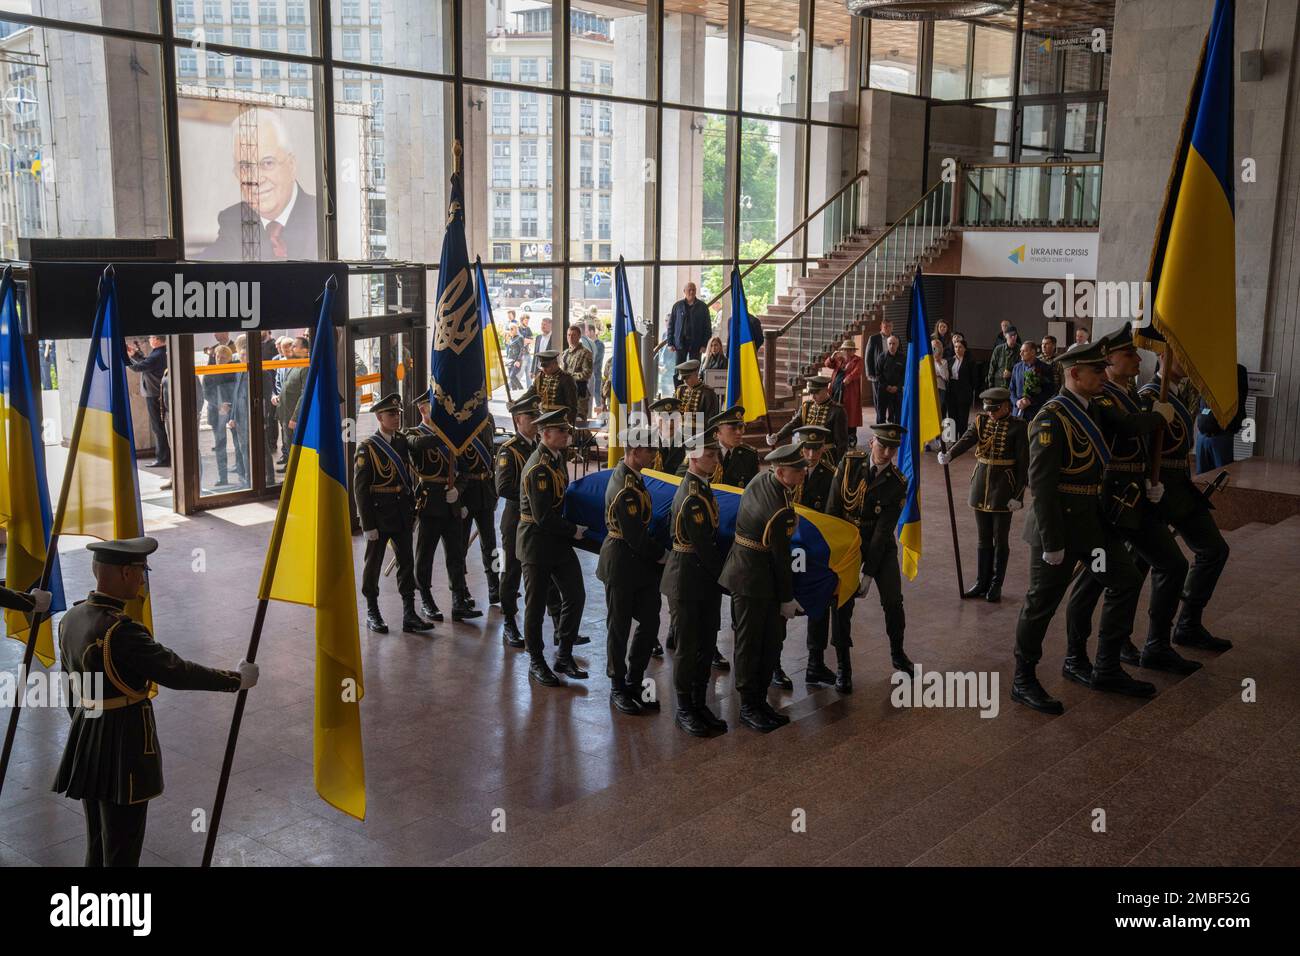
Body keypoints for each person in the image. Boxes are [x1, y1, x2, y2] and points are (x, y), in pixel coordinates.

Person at [52, 537, 258, 867]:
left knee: (97, 842)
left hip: (86, 738)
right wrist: (235, 680)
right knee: (123, 846)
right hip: (122, 745)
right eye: (140, 571)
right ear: (123, 573)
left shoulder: (71, 618)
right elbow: (176, 672)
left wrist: (86, 725)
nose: (142, 579)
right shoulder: (121, 630)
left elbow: (69, 686)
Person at [1011, 340, 1153, 716]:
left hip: (1091, 532)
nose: (1103, 375)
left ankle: (1101, 665)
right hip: (1057, 533)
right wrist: (1053, 543)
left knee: (1123, 580)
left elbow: (1127, 426)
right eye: (1096, 371)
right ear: (1074, 374)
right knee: (1042, 604)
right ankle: (1023, 678)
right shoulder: (1051, 418)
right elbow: (1040, 487)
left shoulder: (1093, 408)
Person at [1063, 325, 1193, 677]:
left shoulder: (1131, 391)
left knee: (1169, 564)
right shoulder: (1104, 396)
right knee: (1095, 580)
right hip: (1112, 500)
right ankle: (1078, 655)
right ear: (1109, 361)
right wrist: (1156, 416)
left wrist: (1154, 482)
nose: (1138, 359)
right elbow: (1125, 426)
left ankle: (1154, 645)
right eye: (1129, 354)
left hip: (1137, 496)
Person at [1139, 354, 1234, 654]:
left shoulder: (1179, 394)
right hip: (1155, 490)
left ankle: (1188, 624)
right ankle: (1153, 641)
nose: (1189, 362)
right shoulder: (1148, 397)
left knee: (1214, 550)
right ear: (1162, 356)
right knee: (1156, 565)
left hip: (1179, 487)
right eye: (1182, 355)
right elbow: (1137, 448)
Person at [720, 444, 805, 732]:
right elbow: (781, 559)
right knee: (751, 642)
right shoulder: (779, 509)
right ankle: (748, 706)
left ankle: (758, 701)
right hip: (752, 579)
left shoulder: (763, 480)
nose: (803, 473)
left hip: (750, 571)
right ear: (780, 471)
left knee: (767, 641)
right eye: (798, 469)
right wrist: (787, 599)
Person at [826, 424, 915, 693]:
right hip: (846, 541)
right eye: (882, 445)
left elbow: (882, 532)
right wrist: (834, 553)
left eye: (893, 449)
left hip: (879, 546)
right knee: (841, 605)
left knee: (893, 601)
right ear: (872, 440)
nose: (886, 453)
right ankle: (843, 666)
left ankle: (897, 652)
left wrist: (868, 574)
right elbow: (833, 508)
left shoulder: (898, 482)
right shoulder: (850, 462)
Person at [662, 432, 728, 736]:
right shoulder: (691, 495)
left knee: (705, 644)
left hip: (702, 579)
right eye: (710, 456)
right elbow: (703, 545)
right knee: (689, 647)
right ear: (693, 457)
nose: (715, 460)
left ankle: (700, 703)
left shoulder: (702, 488)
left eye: (716, 455)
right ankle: (685, 708)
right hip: (688, 580)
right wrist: (727, 578)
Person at [599, 431, 667, 716]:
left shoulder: (633, 476)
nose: (654, 455)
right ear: (635, 451)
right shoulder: (625, 486)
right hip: (622, 564)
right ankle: (618, 686)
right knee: (619, 627)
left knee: (650, 622)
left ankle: (635, 679)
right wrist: (663, 554)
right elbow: (635, 536)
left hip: (639, 565)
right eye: (650, 451)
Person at [355, 392, 434, 635]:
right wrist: (367, 525)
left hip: (401, 513)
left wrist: (439, 428)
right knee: (374, 565)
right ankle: (372, 611)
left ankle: (409, 613)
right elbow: (360, 490)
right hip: (378, 516)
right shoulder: (367, 448)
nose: (396, 418)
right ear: (379, 417)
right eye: (391, 414)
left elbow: (420, 445)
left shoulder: (402, 440)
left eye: (398, 414)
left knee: (406, 564)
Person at [938, 388, 1028, 603]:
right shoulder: (981, 421)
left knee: (1001, 538)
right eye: (988, 410)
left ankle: (996, 584)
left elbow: (1024, 465)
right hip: (981, 484)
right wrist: (950, 454)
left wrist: (1018, 496)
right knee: (983, 537)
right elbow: (967, 439)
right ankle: (981, 582)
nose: (990, 414)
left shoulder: (1019, 427)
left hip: (1004, 487)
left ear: (1006, 406)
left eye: (994, 410)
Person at [519, 409, 588, 686]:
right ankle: (536, 660)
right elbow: (543, 516)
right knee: (535, 607)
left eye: (566, 430)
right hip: (536, 544)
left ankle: (564, 653)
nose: (567, 435)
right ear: (545, 434)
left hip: (556, 542)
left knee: (576, 595)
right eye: (561, 431)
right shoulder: (539, 468)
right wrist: (574, 530)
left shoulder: (557, 459)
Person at [197, 111, 318, 261]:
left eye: (268, 163)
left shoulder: (319, 216)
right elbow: (204, 267)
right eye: (246, 168)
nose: (256, 179)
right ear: (237, 174)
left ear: (291, 166)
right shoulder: (233, 220)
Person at [405, 390, 477, 623]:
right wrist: (447, 433)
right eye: (431, 407)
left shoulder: (451, 437)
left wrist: (459, 491)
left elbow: (465, 470)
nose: (436, 412)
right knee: (425, 554)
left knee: (456, 554)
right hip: (429, 502)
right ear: (422, 409)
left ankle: (458, 601)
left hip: (451, 503)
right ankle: (425, 597)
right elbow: (418, 445)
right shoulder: (413, 433)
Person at [792, 425, 839, 690]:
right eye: (806, 448)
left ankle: (815, 663)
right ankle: (775, 665)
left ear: (823, 449)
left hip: (815, 551)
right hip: (789, 549)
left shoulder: (831, 476)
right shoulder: (786, 470)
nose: (810, 454)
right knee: (782, 606)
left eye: (816, 449)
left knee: (819, 607)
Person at [458, 430, 499, 616]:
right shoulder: (459, 422)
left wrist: (494, 490)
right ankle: (462, 588)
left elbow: (490, 457)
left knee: (491, 544)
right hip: (466, 492)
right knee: (460, 547)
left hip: (485, 491)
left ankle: (495, 585)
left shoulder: (487, 421)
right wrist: (458, 500)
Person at [769, 375, 849, 464]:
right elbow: (793, 424)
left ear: (826, 390)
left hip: (825, 456)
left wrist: (840, 465)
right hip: (804, 453)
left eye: (816, 393)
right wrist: (778, 436)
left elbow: (842, 443)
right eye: (811, 393)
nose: (813, 396)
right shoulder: (806, 406)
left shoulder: (837, 411)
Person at [1194, 362, 1248, 473]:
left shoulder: (1237, 371)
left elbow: (1239, 401)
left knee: (1221, 476)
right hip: (1203, 432)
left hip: (1221, 434)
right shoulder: (1209, 369)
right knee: (1201, 477)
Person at [127, 335, 170, 468]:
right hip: (157, 394)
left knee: (158, 427)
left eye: (151, 337)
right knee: (160, 427)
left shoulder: (158, 354)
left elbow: (138, 368)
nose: (150, 340)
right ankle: (164, 456)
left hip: (155, 395)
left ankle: (163, 458)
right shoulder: (160, 353)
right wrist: (134, 354)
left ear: (157, 340)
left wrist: (125, 357)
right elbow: (146, 362)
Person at [202, 341, 238, 487]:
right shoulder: (209, 372)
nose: (219, 359)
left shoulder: (234, 370)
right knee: (220, 445)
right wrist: (219, 405)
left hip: (232, 411)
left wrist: (229, 405)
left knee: (239, 443)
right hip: (216, 412)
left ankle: (242, 471)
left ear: (229, 358)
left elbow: (237, 390)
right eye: (217, 356)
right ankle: (223, 477)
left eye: (223, 357)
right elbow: (207, 392)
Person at [700, 405, 759, 493]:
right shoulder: (704, 452)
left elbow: (754, 489)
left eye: (740, 427)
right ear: (718, 432)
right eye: (733, 429)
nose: (739, 432)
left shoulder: (749, 454)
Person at [665, 281, 712, 373]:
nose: (691, 292)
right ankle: (678, 387)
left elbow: (707, 327)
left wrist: (704, 345)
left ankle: (693, 387)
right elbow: (671, 325)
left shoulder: (703, 307)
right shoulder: (677, 306)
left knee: (694, 368)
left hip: (696, 343)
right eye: (689, 290)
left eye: (693, 290)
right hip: (680, 343)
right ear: (684, 291)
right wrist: (670, 343)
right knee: (679, 369)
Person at [275, 336, 310, 447]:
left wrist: (295, 418)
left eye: (294, 346)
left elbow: (305, 394)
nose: (291, 348)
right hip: (286, 417)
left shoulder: (306, 367)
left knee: (297, 452)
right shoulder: (296, 364)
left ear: (305, 350)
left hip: (294, 420)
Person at [533, 348, 580, 427]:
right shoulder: (540, 376)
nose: (544, 369)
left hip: (560, 418)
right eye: (542, 366)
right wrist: (517, 402)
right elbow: (532, 392)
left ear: (555, 364)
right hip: (543, 416)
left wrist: (569, 421)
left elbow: (572, 405)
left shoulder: (566, 379)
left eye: (546, 366)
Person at [1010, 341, 1053, 421]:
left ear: (1033, 352)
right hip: (1016, 413)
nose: (1020, 354)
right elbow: (1011, 389)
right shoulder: (1017, 367)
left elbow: (1049, 392)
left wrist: (1030, 401)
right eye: (1020, 351)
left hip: (1035, 413)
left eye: (1024, 351)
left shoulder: (1045, 368)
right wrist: (1016, 402)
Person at [828, 340, 865, 434]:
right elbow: (828, 364)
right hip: (835, 388)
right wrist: (832, 357)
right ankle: (834, 432)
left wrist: (849, 378)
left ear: (854, 351)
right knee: (834, 409)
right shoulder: (839, 359)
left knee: (849, 412)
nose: (847, 352)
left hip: (849, 391)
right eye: (845, 349)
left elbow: (857, 372)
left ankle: (850, 435)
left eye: (849, 350)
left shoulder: (858, 360)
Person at [560, 324, 594, 420]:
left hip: (579, 393)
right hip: (566, 394)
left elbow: (587, 374)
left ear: (579, 336)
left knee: (579, 423)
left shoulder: (585, 353)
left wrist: (569, 377)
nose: (570, 337)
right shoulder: (565, 353)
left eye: (573, 335)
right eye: (568, 335)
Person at [674, 358, 720, 428]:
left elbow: (712, 418)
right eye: (683, 378)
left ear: (696, 374)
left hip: (700, 432)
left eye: (687, 378)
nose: (685, 381)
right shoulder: (680, 389)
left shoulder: (708, 393)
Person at [649, 396, 686, 476]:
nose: (670, 423)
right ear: (656, 419)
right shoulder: (647, 443)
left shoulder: (688, 443)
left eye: (673, 419)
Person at [946, 337, 977, 430]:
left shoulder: (970, 362)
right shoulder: (950, 360)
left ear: (964, 349)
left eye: (960, 347)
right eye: (955, 347)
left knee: (962, 419)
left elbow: (974, 379)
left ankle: (962, 442)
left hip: (964, 392)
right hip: (951, 391)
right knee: (952, 418)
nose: (957, 349)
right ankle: (953, 442)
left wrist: (970, 391)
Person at [865, 318, 892, 423]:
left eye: (890, 326)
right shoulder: (874, 339)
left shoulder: (895, 338)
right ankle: (880, 425)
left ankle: (891, 424)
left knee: (892, 403)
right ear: (881, 327)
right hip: (877, 376)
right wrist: (870, 375)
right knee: (879, 403)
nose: (887, 329)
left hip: (892, 376)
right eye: (885, 327)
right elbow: (868, 358)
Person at [875, 336, 905, 425]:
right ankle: (879, 435)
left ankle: (897, 435)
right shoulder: (881, 357)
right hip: (883, 389)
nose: (892, 346)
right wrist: (886, 386)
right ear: (887, 345)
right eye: (890, 344)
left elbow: (904, 375)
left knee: (898, 414)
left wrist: (897, 387)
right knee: (881, 414)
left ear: (898, 344)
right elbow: (878, 374)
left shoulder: (903, 357)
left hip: (897, 390)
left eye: (894, 344)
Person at [928, 338, 949, 450]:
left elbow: (945, 376)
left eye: (936, 347)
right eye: (933, 347)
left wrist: (938, 362)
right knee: (930, 415)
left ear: (940, 349)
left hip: (940, 389)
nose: (934, 349)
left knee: (939, 415)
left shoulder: (944, 361)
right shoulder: (927, 359)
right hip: (929, 390)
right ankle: (929, 440)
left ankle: (940, 440)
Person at [586, 322, 605, 413]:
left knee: (597, 396)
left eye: (587, 331)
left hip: (596, 374)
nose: (586, 334)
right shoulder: (588, 344)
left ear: (592, 332)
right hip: (588, 374)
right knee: (588, 397)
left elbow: (595, 359)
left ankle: (600, 417)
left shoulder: (599, 344)